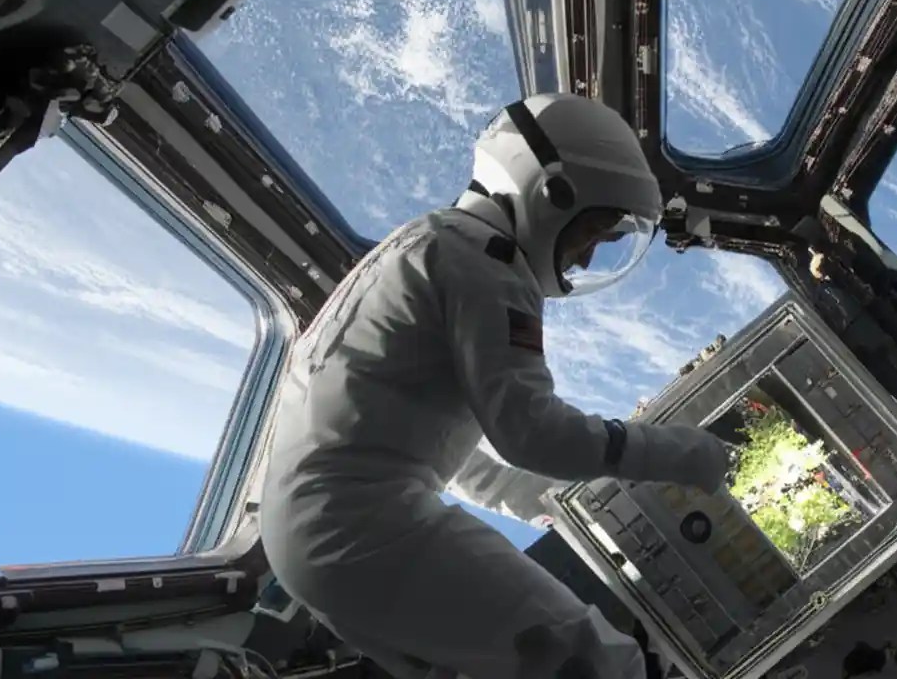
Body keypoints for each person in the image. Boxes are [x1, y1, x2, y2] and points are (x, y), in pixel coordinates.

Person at [258, 93, 731, 679]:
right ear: (551, 194)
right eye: (590, 234)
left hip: (304, 544)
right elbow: (532, 434)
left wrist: (548, 504)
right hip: (358, 528)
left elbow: (451, 461)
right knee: (602, 665)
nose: (581, 260)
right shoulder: (485, 262)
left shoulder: (428, 241)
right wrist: (689, 455)